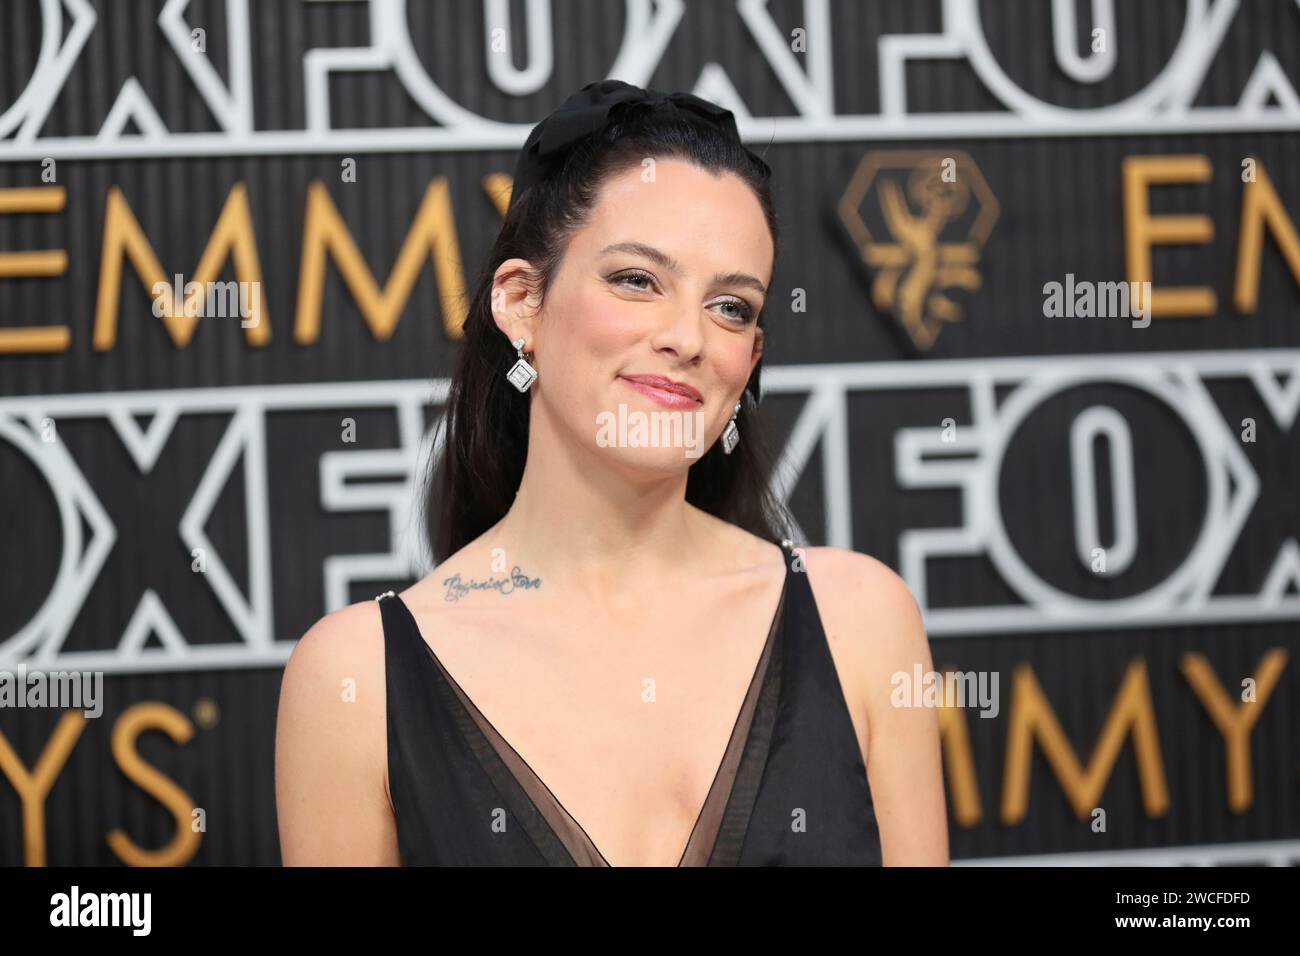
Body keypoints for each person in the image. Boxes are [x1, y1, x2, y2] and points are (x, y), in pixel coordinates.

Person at [275, 79, 947, 866]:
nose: (686, 338)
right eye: (637, 280)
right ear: (521, 301)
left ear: (751, 360)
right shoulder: (356, 680)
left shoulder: (860, 621)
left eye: (731, 306)